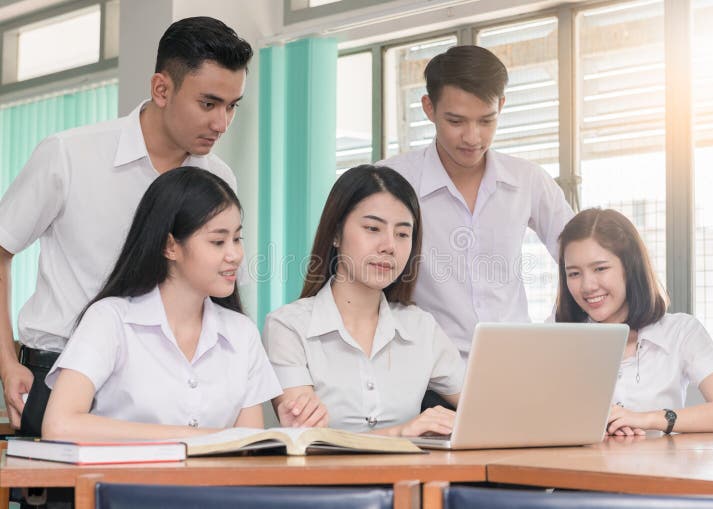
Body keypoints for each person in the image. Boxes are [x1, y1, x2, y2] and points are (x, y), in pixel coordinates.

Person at [0, 16, 252, 436]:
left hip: (162, 384)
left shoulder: (219, 178)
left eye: (232, 107)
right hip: (59, 370)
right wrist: (7, 361)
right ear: (161, 89)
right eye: (208, 104)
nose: (221, 123)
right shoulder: (70, 155)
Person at [42, 168, 323, 441]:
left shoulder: (242, 332)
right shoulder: (110, 319)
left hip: (214, 489)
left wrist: (291, 430)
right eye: (218, 241)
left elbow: (245, 447)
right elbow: (59, 424)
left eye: (237, 239)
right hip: (126, 488)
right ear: (170, 246)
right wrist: (196, 438)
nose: (235, 255)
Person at [379, 45, 574, 359]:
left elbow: (579, 257)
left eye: (486, 121)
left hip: (515, 362)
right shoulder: (390, 180)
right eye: (456, 122)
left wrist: (555, 328)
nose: (472, 137)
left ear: (501, 106)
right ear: (429, 108)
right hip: (426, 370)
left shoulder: (528, 180)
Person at [263, 165, 465, 436]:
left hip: (410, 478)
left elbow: (486, 409)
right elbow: (307, 440)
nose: (389, 245)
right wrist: (401, 433)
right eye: (372, 228)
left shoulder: (420, 327)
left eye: (403, 234)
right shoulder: (288, 327)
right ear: (335, 234)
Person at [556, 208, 713, 436]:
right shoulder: (559, 339)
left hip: (657, 470)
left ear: (630, 267)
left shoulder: (681, 332)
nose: (587, 286)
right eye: (574, 273)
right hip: (580, 469)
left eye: (600, 268)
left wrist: (647, 419)